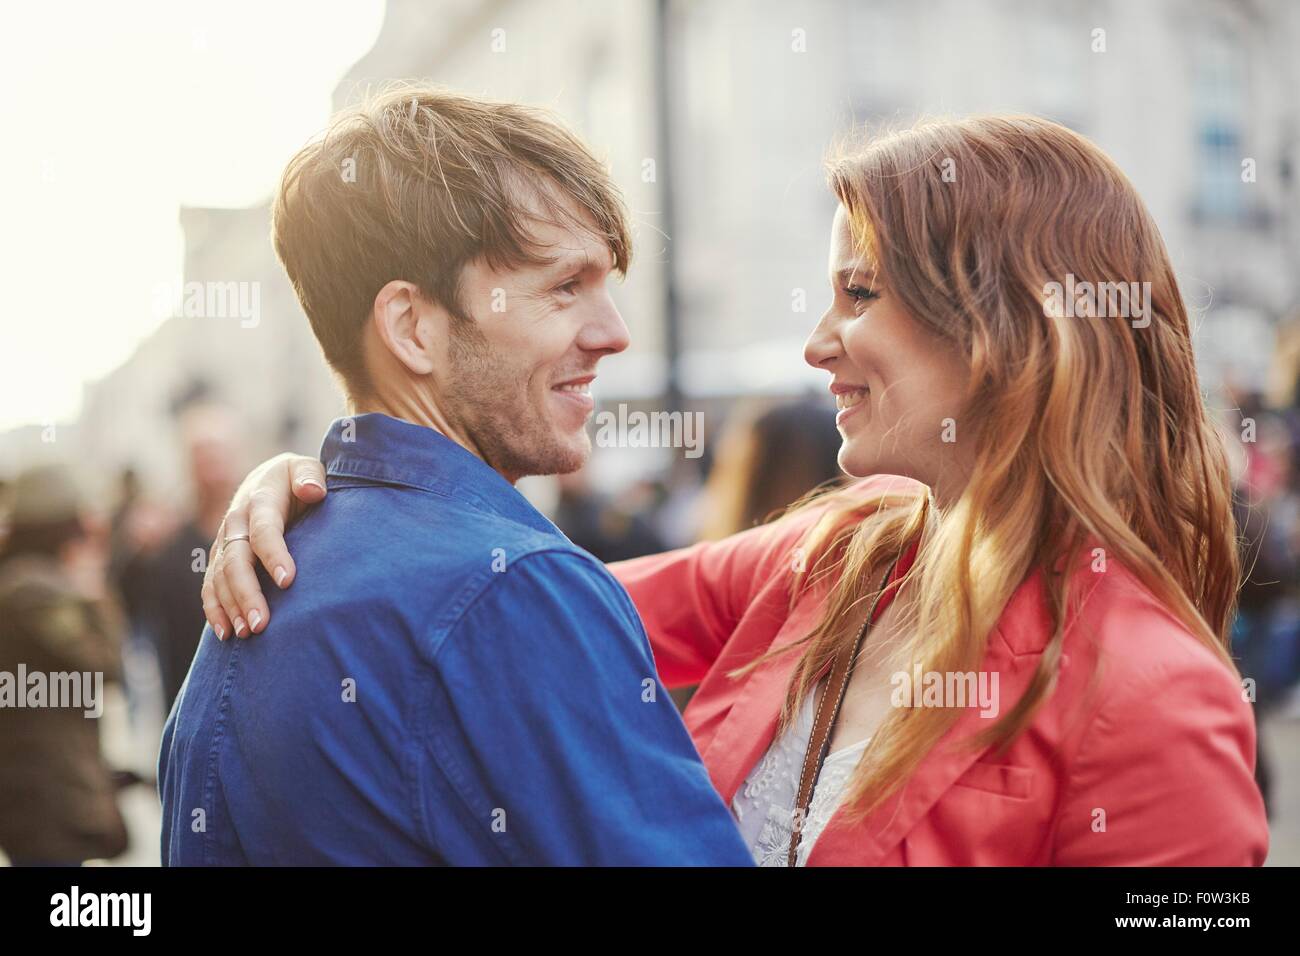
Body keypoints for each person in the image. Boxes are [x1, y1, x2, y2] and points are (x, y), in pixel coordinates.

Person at [207, 114, 1269, 866]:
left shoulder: (1155, 695)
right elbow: (493, 620)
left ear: (1005, 329)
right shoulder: (839, 555)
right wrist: (331, 487)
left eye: (858, 294)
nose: (818, 344)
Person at [157, 85, 752, 866]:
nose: (613, 333)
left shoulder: (257, 599)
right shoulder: (517, 590)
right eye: (565, 287)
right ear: (412, 329)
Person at [0, 464, 129, 866]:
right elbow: (105, 661)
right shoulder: (32, 588)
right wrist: (91, 587)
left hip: (44, 795)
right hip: (47, 800)